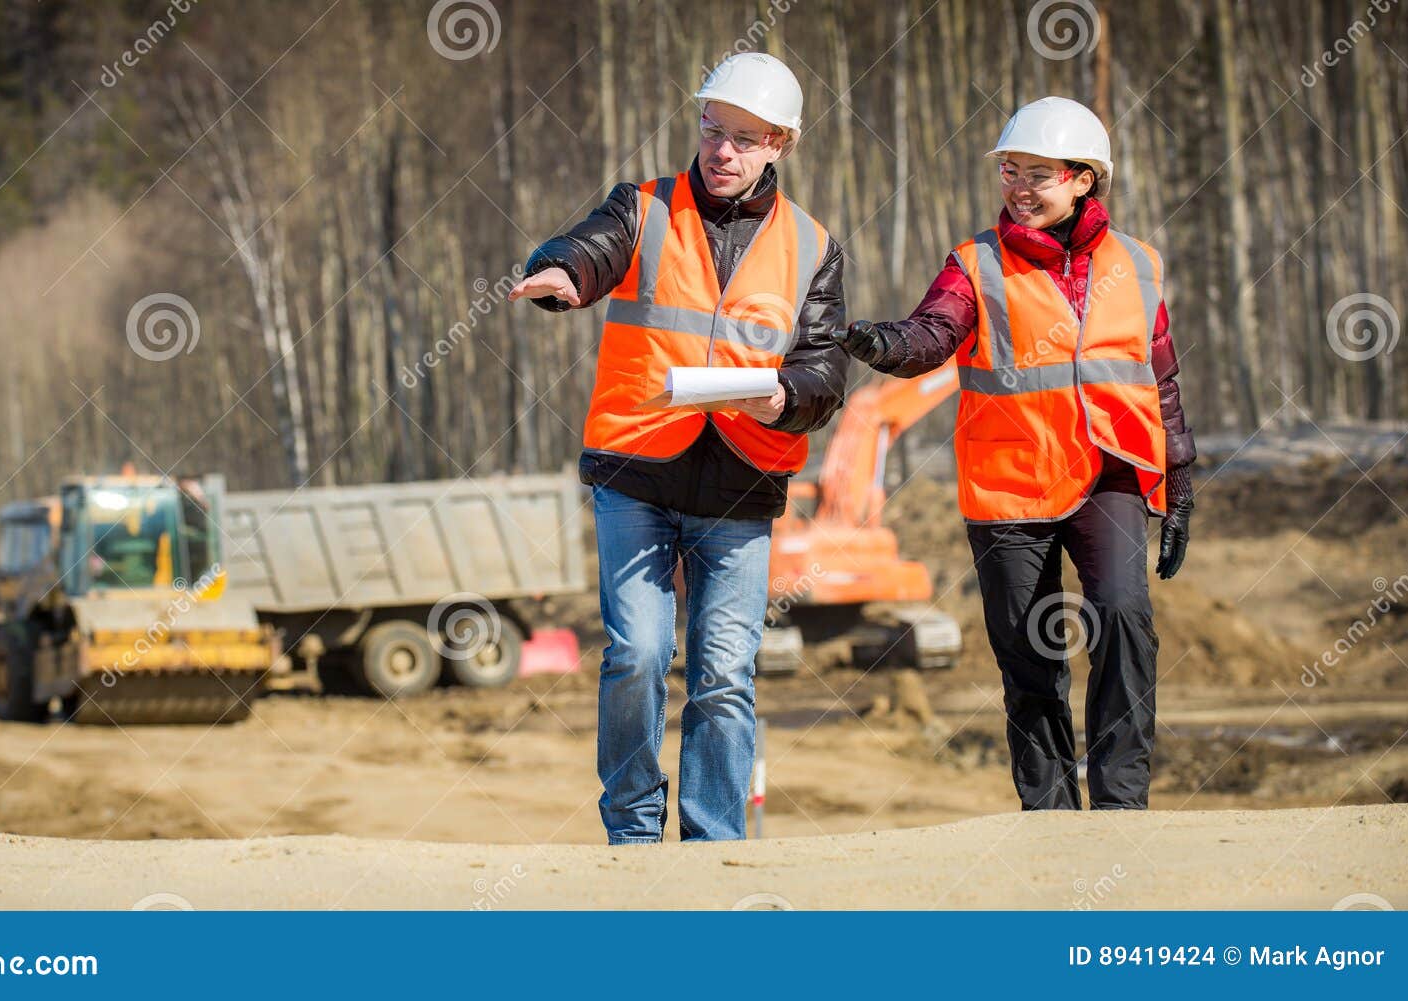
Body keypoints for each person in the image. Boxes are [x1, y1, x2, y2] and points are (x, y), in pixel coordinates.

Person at [507, 52, 847, 842]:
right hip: (638, 471)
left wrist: (788, 394)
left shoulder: (812, 245)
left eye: (742, 138)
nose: (721, 151)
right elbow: (591, 247)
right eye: (711, 130)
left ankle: (713, 845)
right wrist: (559, 269)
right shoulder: (645, 206)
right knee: (637, 653)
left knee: (724, 677)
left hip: (741, 484)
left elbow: (825, 366)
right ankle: (630, 831)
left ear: (781, 144)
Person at [836, 97, 1197, 811]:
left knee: (1123, 616)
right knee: (1028, 656)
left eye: (1038, 174)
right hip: (1010, 482)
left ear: (1083, 179)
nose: (1020, 187)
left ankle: (1121, 804)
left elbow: (1162, 377)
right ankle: (1051, 813)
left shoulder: (1139, 265)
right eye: (1011, 171)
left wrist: (1179, 477)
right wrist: (888, 344)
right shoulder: (976, 263)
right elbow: (933, 332)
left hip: (1108, 471)